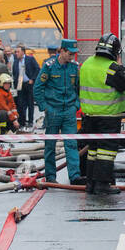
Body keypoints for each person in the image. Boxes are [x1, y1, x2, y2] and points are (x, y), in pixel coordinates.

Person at [78, 33, 125, 195]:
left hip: (89, 116)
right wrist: (121, 66)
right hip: (108, 117)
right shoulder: (112, 68)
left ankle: (91, 184)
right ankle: (102, 185)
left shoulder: (87, 64)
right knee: (106, 152)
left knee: (93, 150)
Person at [34, 40, 83, 185]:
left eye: (74, 54)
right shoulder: (49, 66)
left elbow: (79, 88)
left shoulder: (74, 67)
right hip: (53, 111)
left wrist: (76, 105)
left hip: (69, 111)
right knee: (50, 145)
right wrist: (45, 107)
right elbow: (38, 88)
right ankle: (50, 176)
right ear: (62, 51)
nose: (72, 57)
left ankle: (75, 176)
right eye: (70, 54)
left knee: (71, 144)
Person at [11, 45, 40, 130]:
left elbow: (37, 69)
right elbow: (15, 72)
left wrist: (33, 79)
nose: (16, 53)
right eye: (16, 52)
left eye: (18, 52)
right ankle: (22, 121)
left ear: (23, 52)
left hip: (29, 83)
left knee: (30, 103)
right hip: (20, 85)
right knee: (20, 104)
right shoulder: (16, 61)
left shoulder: (30, 59)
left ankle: (30, 121)